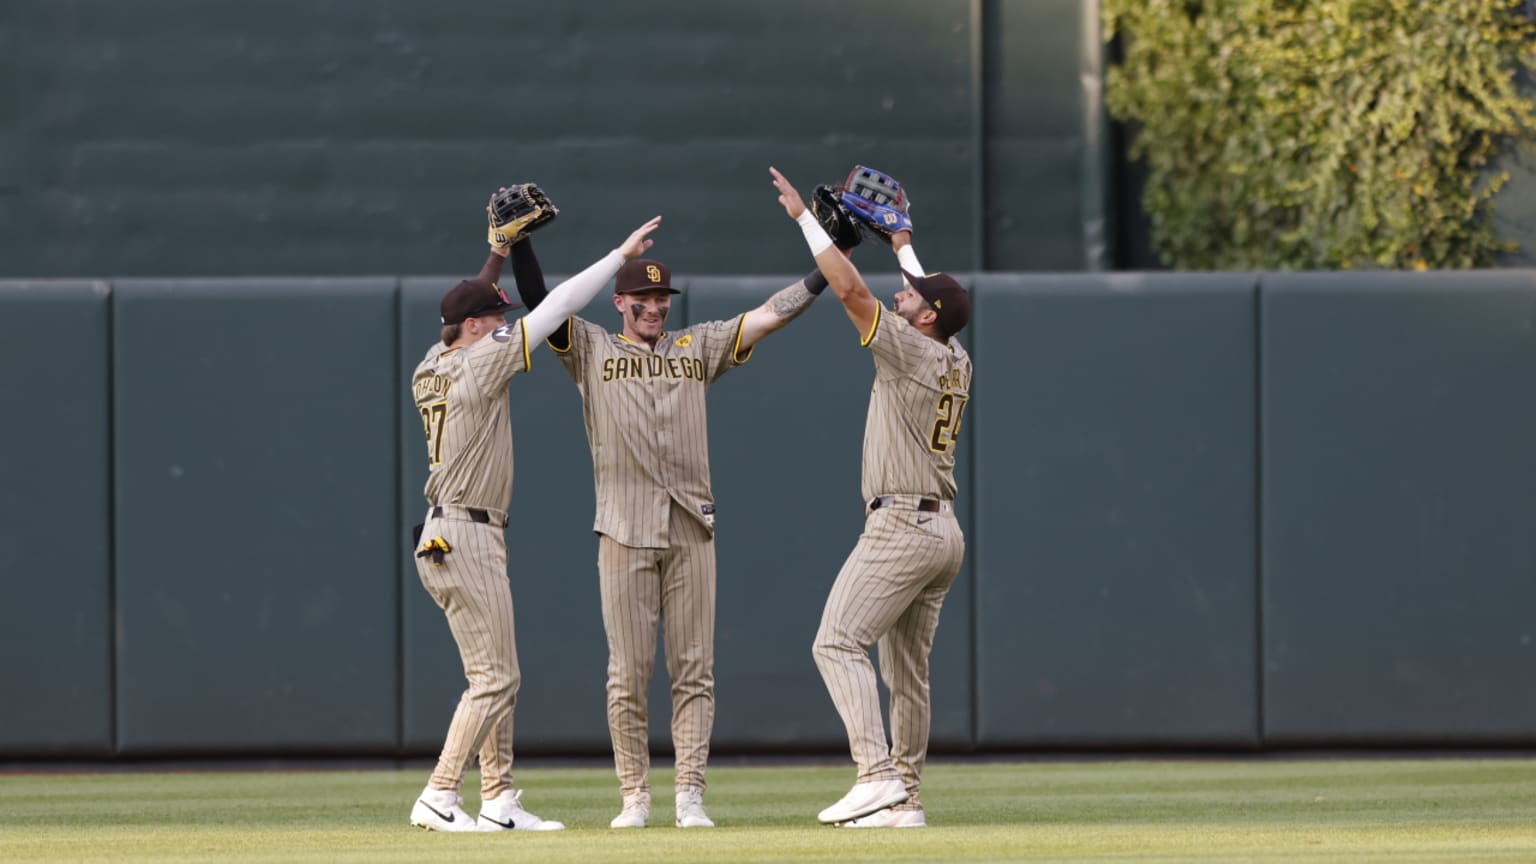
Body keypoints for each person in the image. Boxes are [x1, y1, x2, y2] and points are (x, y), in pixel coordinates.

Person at [509, 236, 829, 830]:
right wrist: (520, 241)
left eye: (662, 296)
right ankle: (634, 796)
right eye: (644, 297)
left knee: (694, 669)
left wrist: (826, 268)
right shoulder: (591, 348)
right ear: (619, 301)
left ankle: (689, 794)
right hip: (624, 528)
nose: (656, 306)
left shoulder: (695, 345)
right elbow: (540, 302)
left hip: (690, 527)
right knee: (627, 674)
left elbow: (769, 316)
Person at [407, 210, 662, 832]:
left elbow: (465, 309)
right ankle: (440, 793)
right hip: (467, 533)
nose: (505, 324)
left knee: (494, 675)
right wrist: (617, 254)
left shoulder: (431, 365)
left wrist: (496, 253)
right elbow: (555, 309)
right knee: (496, 678)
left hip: (448, 532)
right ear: (474, 329)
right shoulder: (478, 362)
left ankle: (497, 800)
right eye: (496, 319)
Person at [768, 166, 972, 829]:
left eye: (913, 297)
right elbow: (937, 296)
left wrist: (805, 219)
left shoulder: (911, 352)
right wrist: (903, 241)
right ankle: (904, 799)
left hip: (903, 526)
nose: (902, 296)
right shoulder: (956, 356)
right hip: (944, 535)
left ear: (929, 317)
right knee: (908, 677)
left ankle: (877, 776)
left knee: (837, 643)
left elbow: (851, 289)